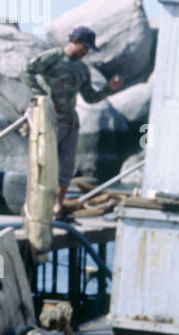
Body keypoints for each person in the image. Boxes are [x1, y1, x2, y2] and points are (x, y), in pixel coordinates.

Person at [24, 26, 122, 219]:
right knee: (43, 164)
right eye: (85, 47)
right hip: (49, 121)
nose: (87, 52)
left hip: (71, 124)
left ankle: (57, 207)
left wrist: (109, 89)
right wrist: (41, 96)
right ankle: (37, 205)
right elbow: (26, 72)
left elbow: (90, 98)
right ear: (75, 40)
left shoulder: (82, 69)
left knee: (66, 168)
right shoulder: (52, 57)